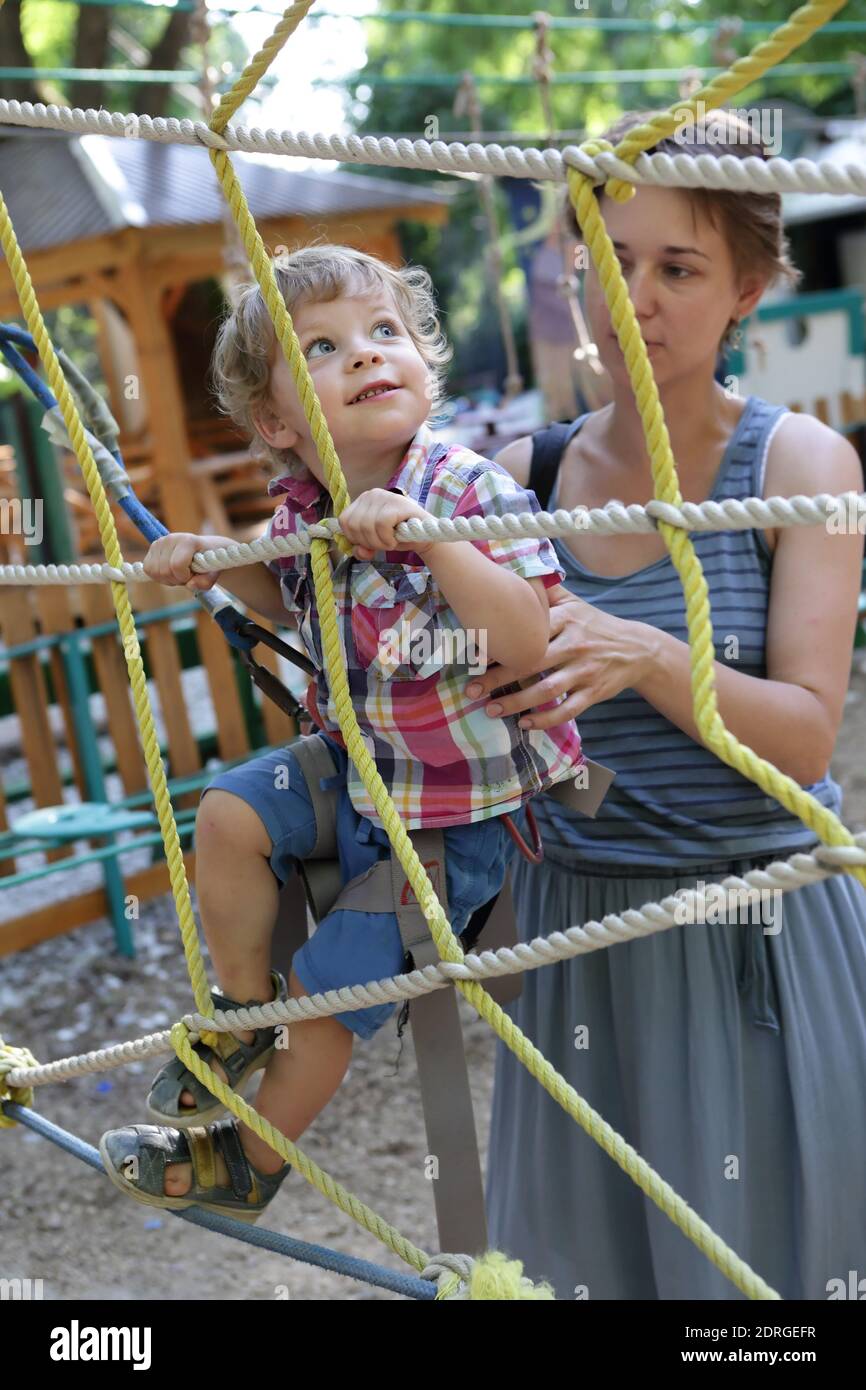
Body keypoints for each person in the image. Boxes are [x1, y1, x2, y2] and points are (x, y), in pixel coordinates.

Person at [98, 243, 586, 1222]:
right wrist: (214, 563)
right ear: (278, 420)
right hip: (368, 765)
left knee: (326, 993)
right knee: (230, 813)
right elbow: (286, 601)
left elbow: (528, 634)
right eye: (325, 346)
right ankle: (240, 1016)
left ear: (421, 361)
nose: (366, 355)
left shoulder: (460, 487)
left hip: (461, 813)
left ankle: (245, 1161)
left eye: (383, 333)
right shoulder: (307, 512)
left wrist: (426, 538)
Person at [474, 108, 866, 1300]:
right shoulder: (516, 480)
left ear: (747, 286)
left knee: (769, 1290)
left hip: (756, 926)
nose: (630, 299)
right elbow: (442, 679)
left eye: (677, 268)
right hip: (583, 931)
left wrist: (648, 654)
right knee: (597, 1273)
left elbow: (803, 733)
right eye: (608, 261)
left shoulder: (798, 466)